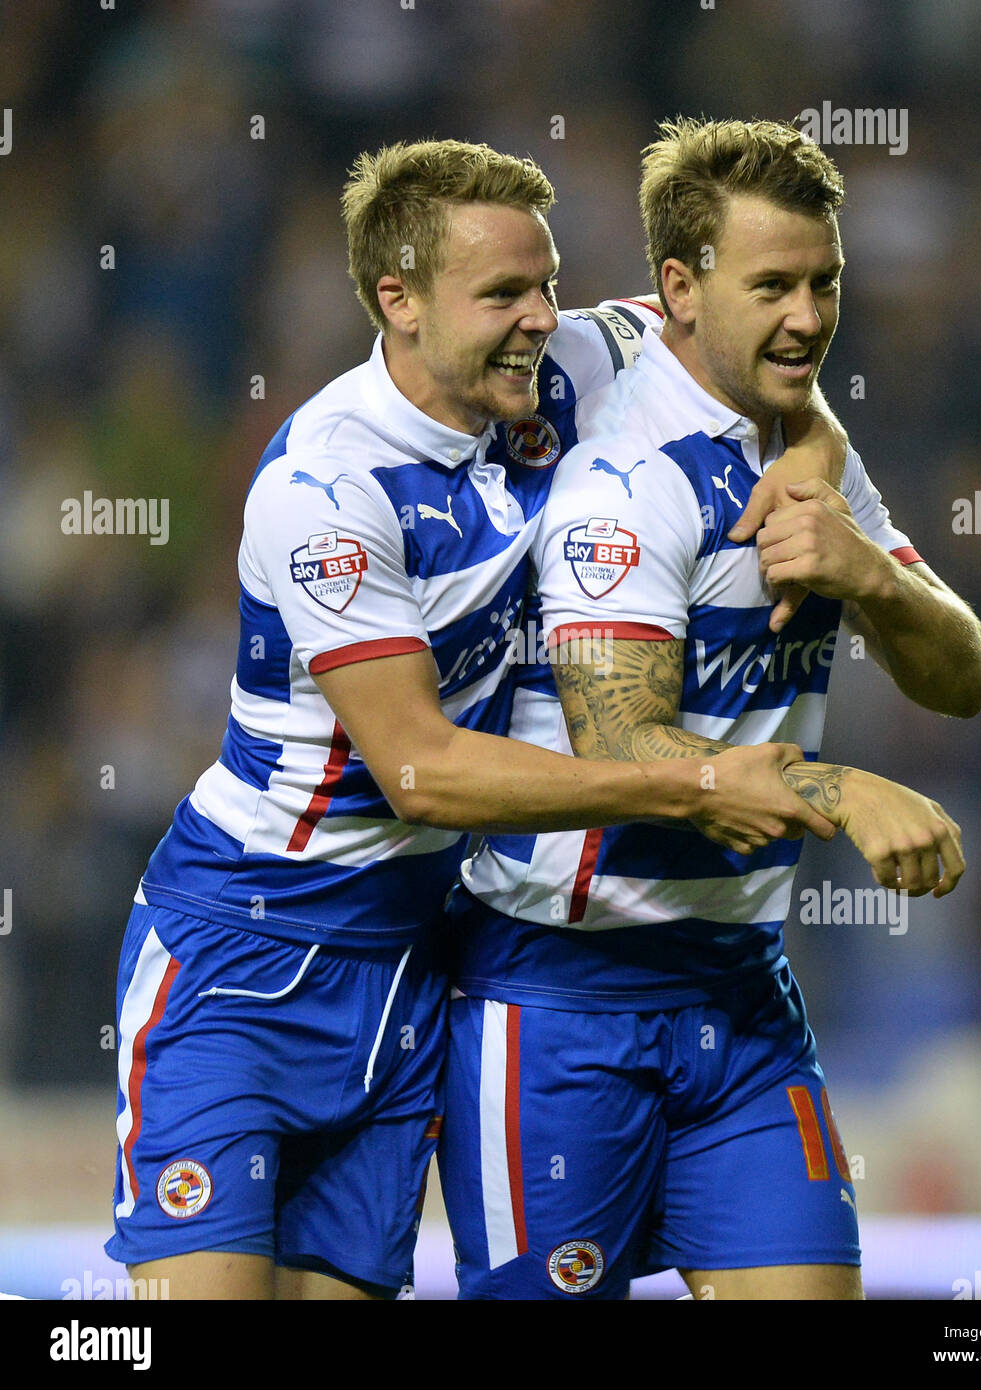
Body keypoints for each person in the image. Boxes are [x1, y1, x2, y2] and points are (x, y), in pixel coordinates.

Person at [105, 137, 847, 1301]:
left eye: (547, 283)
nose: (542, 317)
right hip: (243, 953)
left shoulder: (565, 359)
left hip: (408, 964)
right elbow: (423, 773)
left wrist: (813, 451)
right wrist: (702, 782)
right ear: (395, 301)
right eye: (502, 293)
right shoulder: (326, 492)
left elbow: (753, 357)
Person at [439, 118, 981, 1300]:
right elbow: (624, 746)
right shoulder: (623, 475)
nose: (806, 316)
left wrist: (870, 576)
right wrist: (840, 789)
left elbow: (961, 676)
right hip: (560, 998)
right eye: (772, 286)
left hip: (739, 992)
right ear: (679, 290)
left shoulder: (807, 451)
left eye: (823, 282)